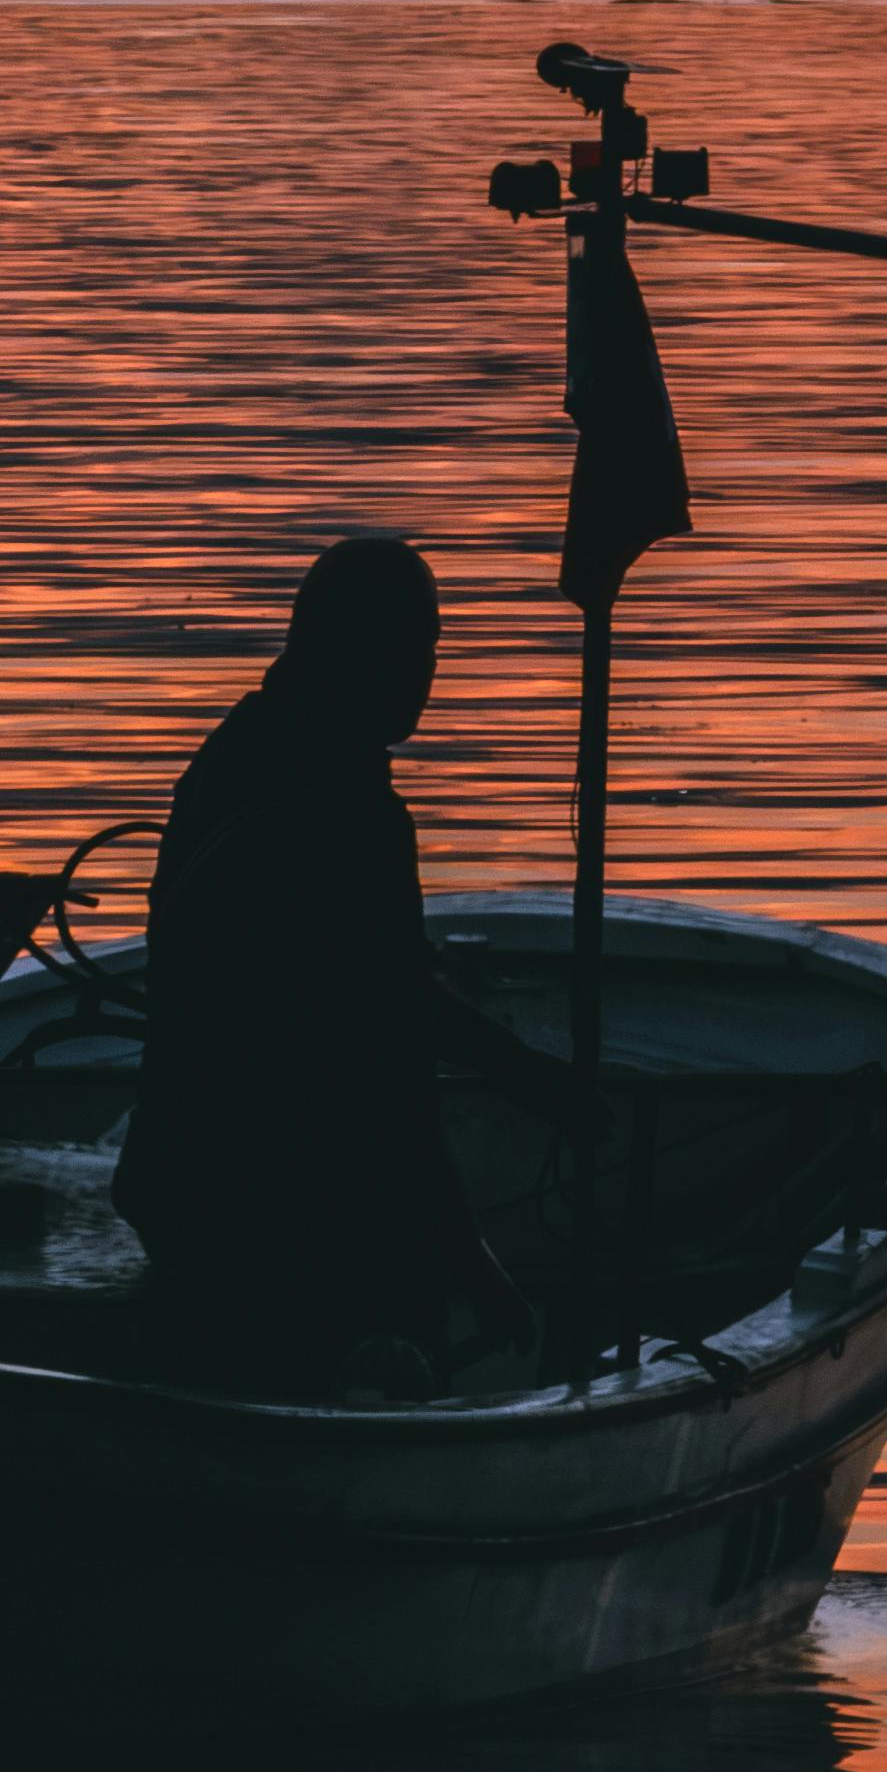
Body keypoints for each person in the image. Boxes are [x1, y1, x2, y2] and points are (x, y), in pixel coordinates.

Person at [114, 532, 538, 1390]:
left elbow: (389, 995)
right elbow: (389, 1054)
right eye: (411, 650)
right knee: (393, 1319)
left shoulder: (231, 754)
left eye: (432, 650)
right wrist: (471, 1259)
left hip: (173, 1180)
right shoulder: (350, 819)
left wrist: (521, 1068)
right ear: (348, 651)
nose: (425, 676)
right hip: (276, 1203)